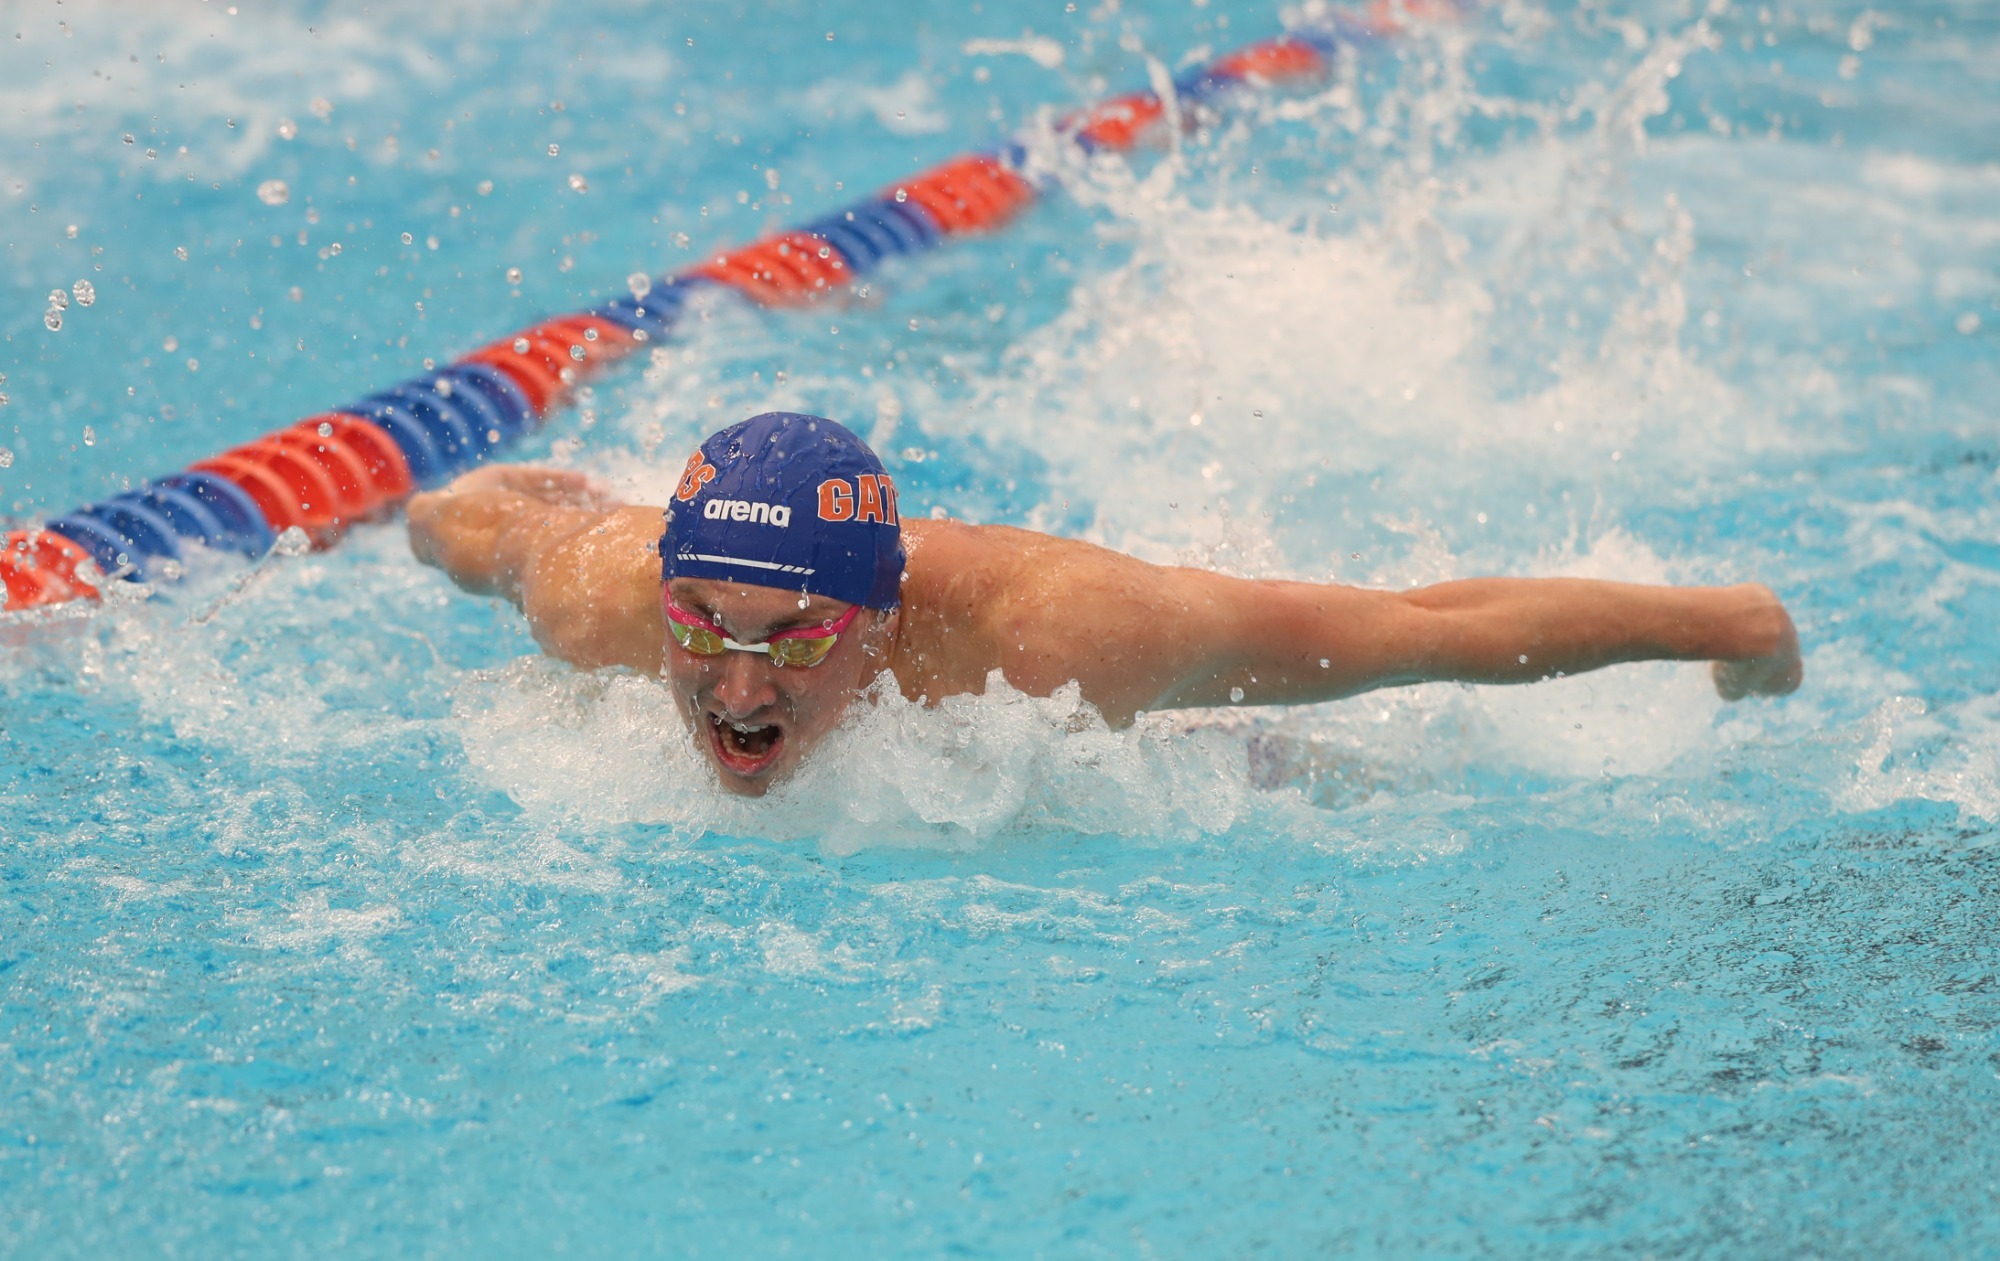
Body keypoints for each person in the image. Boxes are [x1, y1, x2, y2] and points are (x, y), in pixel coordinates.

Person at [407, 411, 1802, 795]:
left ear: (881, 621)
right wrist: (439, 508)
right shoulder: (606, 595)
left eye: (795, 640)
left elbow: (1422, 631)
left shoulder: (1065, 633)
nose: (741, 689)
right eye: (703, 626)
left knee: (1314, 739)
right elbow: (476, 524)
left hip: (1124, 672)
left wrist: (1720, 629)